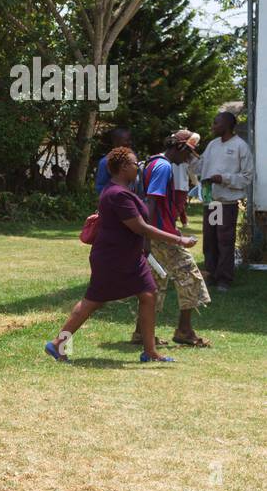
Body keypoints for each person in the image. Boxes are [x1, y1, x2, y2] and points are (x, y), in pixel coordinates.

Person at [46, 147, 195, 365]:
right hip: (112, 259)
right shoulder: (117, 194)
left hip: (131, 258)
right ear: (124, 167)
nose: (139, 167)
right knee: (92, 302)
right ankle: (58, 343)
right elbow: (141, 228)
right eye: (136, 164)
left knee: (148, 295)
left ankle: (150, 352)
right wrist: (179, 240)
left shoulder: (122, 191)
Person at [140, 130, 211, 348]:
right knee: (190, 275)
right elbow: (152, 202)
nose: (189, 158)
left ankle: (140, 332)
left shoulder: (153, 162)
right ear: (178, 147)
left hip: (158, 232)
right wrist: (148, 238)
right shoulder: (163, 167)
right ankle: (184, 330)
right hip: (160, 235)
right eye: (188, 152)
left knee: (154, 283)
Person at [199, 111, 253, 291]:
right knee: (210, 240)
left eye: (216, 123)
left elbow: (247, 177)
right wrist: (189, 156)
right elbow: (200, 167)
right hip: (212, 203)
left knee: (225, 240)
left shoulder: (240, 146)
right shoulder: (213, 145)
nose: (213, 126)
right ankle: (211, 274)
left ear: (228, 125)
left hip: (227, 204)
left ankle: (224, 279)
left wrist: (224, 178)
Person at [95, 127, 133, 194]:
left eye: (130, 140)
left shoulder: (133, 159)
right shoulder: (105, 162)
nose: (129, 142)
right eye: (126, 140)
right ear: (116, 142)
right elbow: (100, 187)